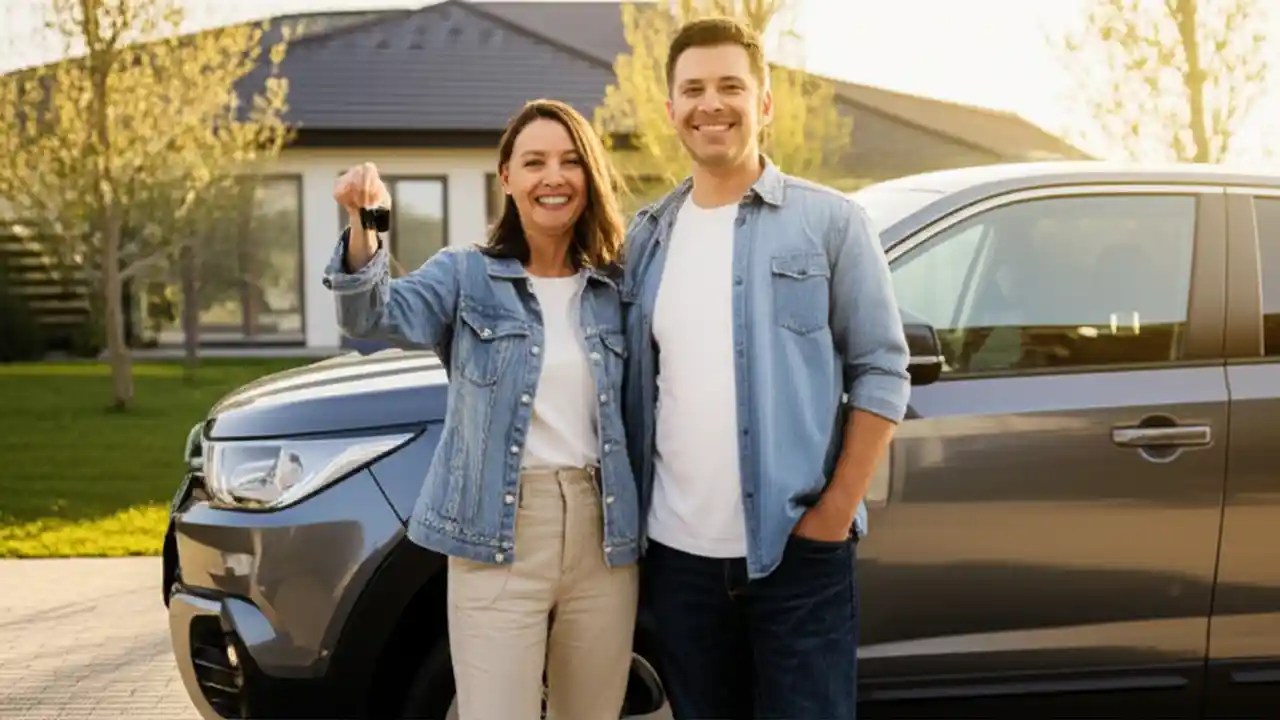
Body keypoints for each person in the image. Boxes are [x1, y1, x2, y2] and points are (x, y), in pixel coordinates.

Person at [620, 17, 912, 720]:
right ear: (670, 110)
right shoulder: (645, 238)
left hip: (798, 553)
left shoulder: (831, 223)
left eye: (730, 86)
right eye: (692, 89)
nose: (710, 104)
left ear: (765, 103)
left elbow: (882, 368)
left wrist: (834, 514)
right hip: (677, 557)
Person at [323, 99, 640, 720]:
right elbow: (370, 315)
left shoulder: (617, 286)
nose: (554, 176)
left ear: (590, 176)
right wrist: (368, 222)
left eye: (571, 161)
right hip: (497, 534)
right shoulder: (467, 274)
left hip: (605, 538)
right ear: (508, 179)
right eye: (535, 162)